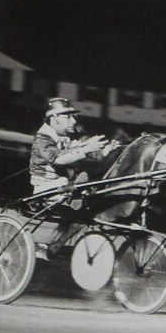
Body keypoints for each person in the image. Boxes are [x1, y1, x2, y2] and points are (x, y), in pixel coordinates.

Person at [29, 97, 120, 259]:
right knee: (81, 186)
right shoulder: (42, 138)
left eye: (74, 116)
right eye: (68, 116)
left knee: (91, 180)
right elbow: (58, 159)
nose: (73, 121)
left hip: (67, 185)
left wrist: (105, 151)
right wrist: (86, 148)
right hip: (46, 187)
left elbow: (89, 154)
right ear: (54, 118)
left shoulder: (71, 134)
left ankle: (52, 247)